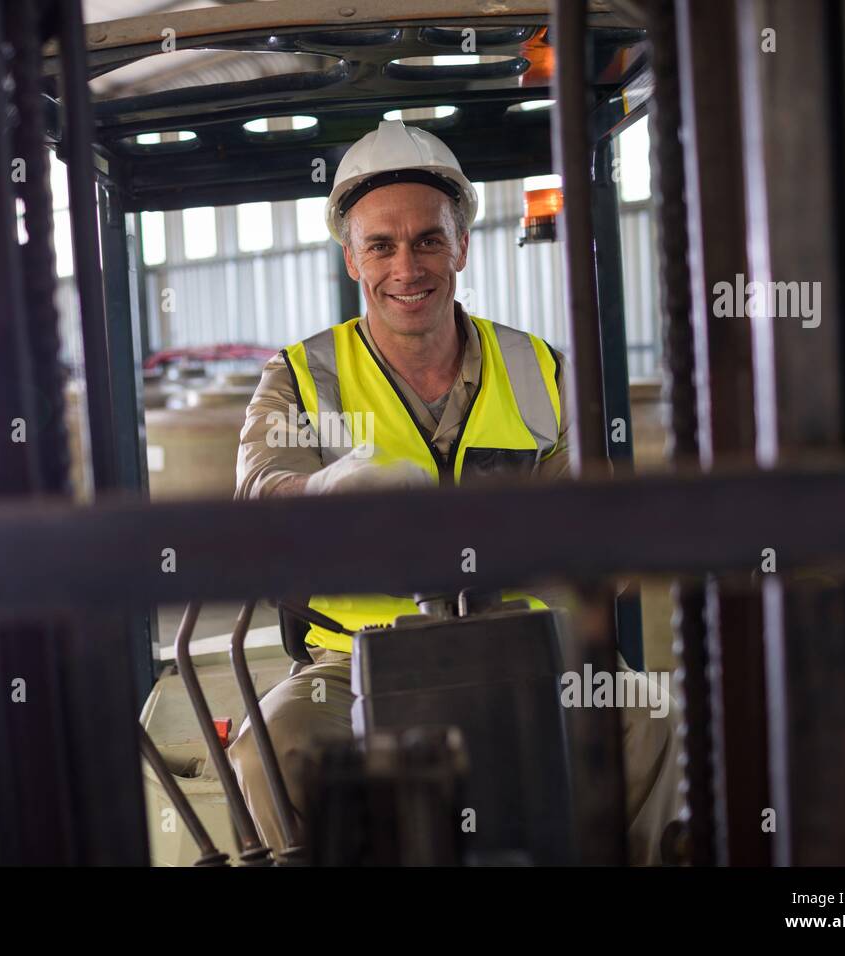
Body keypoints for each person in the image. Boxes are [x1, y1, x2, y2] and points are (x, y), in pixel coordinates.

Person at [229, 120, 682, 864]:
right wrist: (323, 490)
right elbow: (258, 495)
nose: (407, 266)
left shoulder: (536, 366)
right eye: (381, 245)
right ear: (352, 259)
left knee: (645, 716)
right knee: (269, 751)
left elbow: (595, 513)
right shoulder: (301, 376)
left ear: (462, 246)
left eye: (428, 240)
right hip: (356, 657)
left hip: (525, 640)